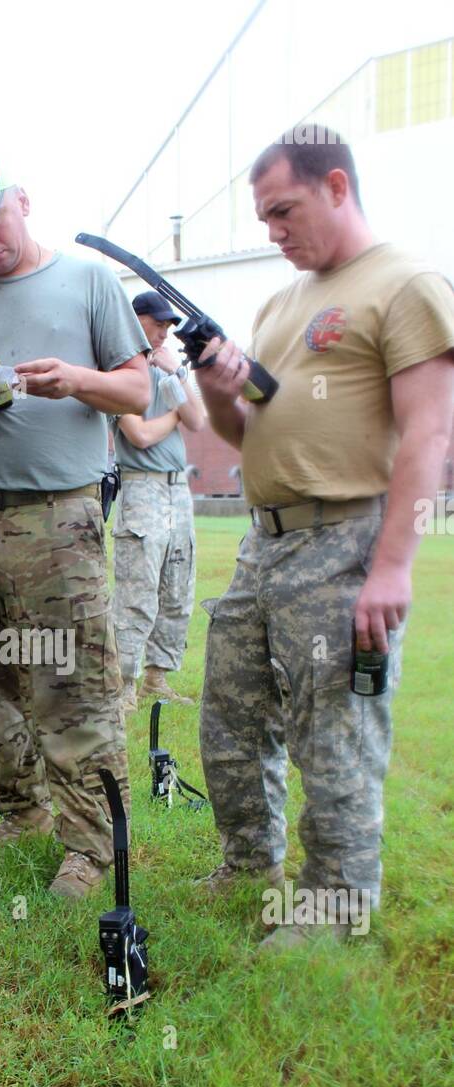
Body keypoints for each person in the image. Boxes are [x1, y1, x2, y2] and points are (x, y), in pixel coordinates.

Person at [195, 124, 454, 951]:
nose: (272, 232)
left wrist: (395, 567)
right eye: (263, 217)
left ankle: (337, 907)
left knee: (336, 730)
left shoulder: (405, 283)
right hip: (263, 545)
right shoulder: (280, 304)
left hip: (347, 542)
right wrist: (216, 388)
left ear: (336, 186)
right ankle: (249, 864)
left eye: (283, 211)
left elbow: (430, 435)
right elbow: (245, 438)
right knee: (231, 718)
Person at [0, 151, 150, 898]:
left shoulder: (87, 282)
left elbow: (138, 390)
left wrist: (75, 379)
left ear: (22, 200)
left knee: (73, 681)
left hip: (60, 517)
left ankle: (92, 846)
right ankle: (21, 813)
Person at [112, 291, 205, 713]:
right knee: (137, 590)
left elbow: (199, 421)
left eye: (169, 325)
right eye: (158, 323)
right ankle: (123, 685)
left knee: (177, 587)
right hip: (142, 487)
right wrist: (177, 411)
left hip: (176, 490)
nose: (165, 331)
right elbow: (141, 435)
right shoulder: (120, 370)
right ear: (135, 320)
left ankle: (157, 677)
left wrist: (176, 380)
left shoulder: (169, 371)